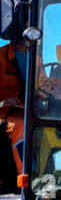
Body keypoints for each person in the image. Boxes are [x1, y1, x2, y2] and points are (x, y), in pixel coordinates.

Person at [0, 39, 24, 180]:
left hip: (26, 111)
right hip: (3, 113)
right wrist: (4, 103)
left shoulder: (35, 57)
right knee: (21, 125)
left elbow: (42, 87)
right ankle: (25, 178)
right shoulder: (1, 57)